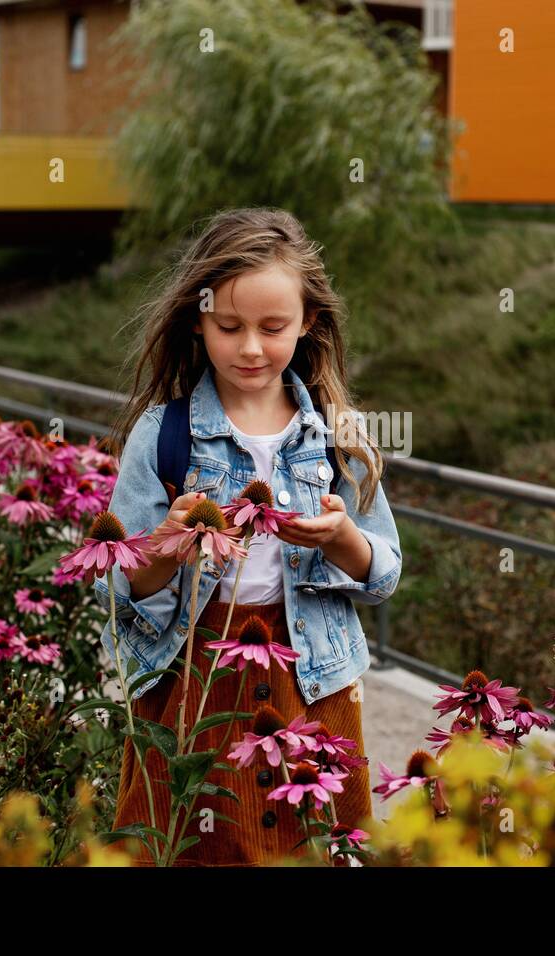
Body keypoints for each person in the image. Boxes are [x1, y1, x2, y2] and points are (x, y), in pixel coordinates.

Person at [92, 207, 401, 864]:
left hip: (314, 682)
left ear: (309, 320)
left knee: (315, 846)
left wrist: (340, 537)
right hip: (195, 681)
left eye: (273, 327)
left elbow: (384, 572)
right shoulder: (163, 433)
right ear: (197, 321)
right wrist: (168, 548)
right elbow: (121, 586)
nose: (251, 347)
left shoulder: (335, 437)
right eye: (228, 327)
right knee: (192, 847)